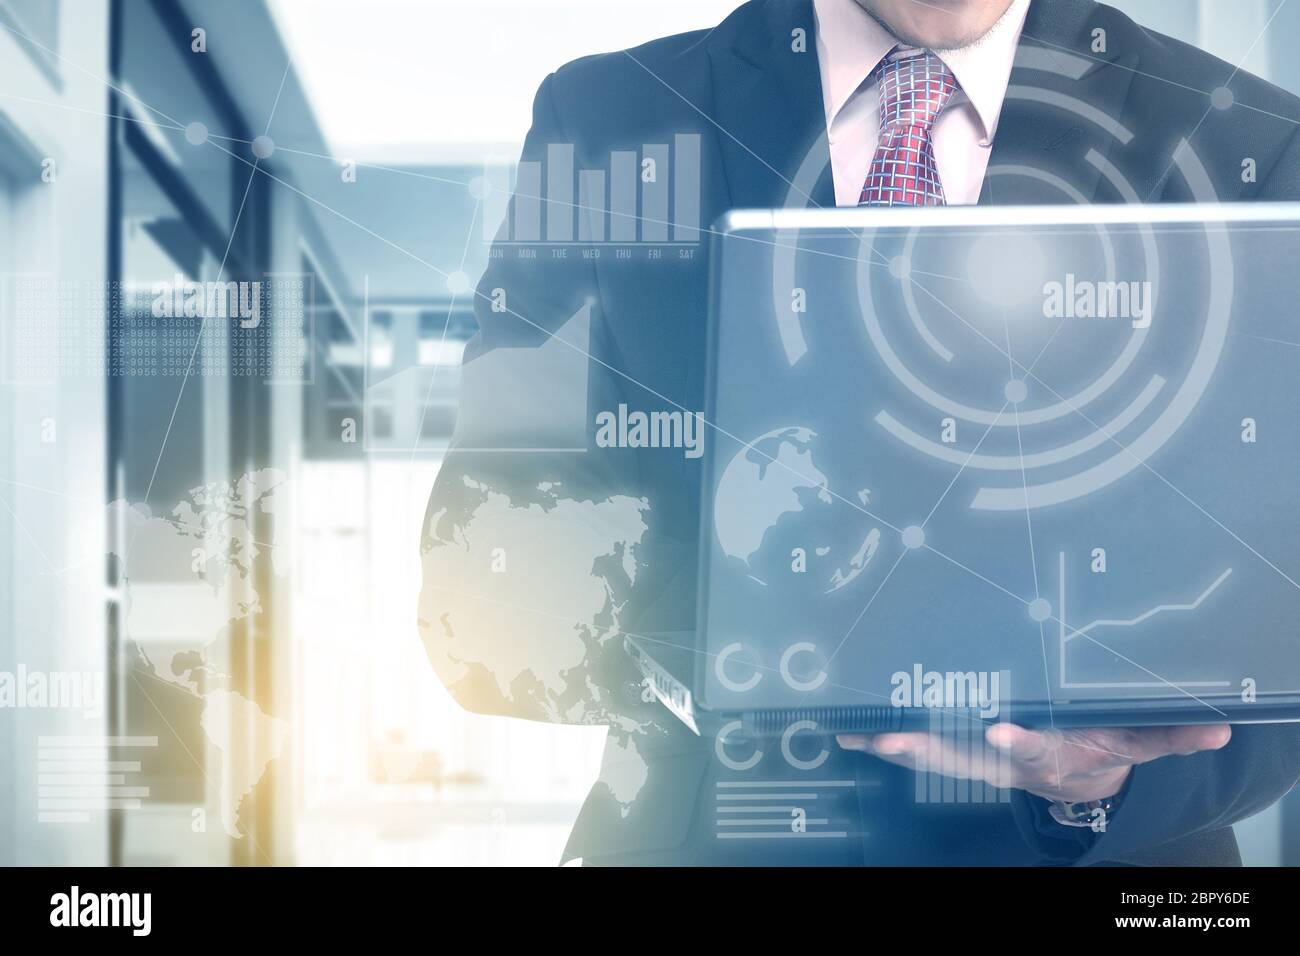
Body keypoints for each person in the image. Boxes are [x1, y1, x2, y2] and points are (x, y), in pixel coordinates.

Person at [419, 0, 1300, 865]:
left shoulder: (1252, 139)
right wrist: (759, 658)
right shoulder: (612, 121)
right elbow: (483, 578)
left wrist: (1100, 786)